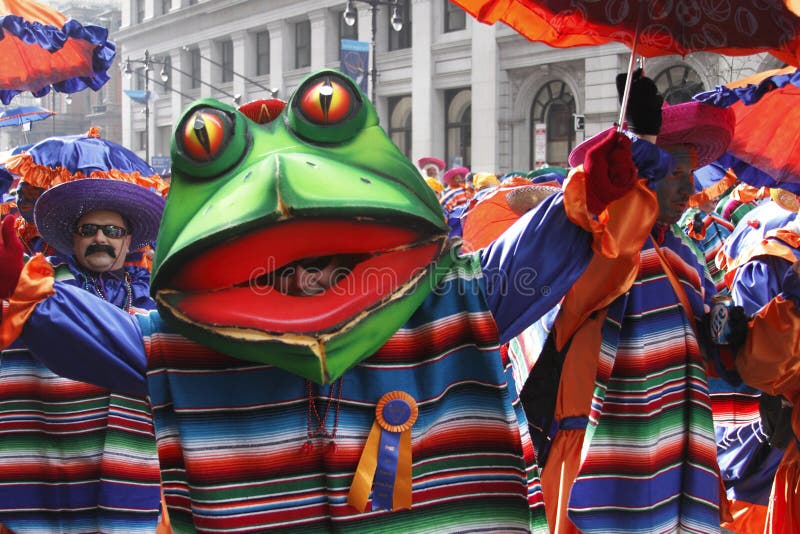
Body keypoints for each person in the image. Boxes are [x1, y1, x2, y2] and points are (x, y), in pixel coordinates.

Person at [0, 69, 649, 532]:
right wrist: (24, 294)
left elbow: (515, 269)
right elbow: (109, 341)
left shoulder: (437, 302)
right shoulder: (204, 337)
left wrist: (584, 197)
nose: (308, 271)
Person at [523, 69, 738, 533]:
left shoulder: (682, 253)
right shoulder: (593, 243)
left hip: (675, 453)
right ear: (642, 175)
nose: (689, 188)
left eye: (691, 174)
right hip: (601, 462)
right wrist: (636, 141)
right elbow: (610, 252)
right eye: (674, 173)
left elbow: (718, 345)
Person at [0, 172, 167, 532]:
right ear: (73, 239)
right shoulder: (43, 284)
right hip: (55, 455)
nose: (100, 238)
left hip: (133, 462)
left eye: (113, 231)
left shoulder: (152, 294)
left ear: (129, 241)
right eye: (88, 230)